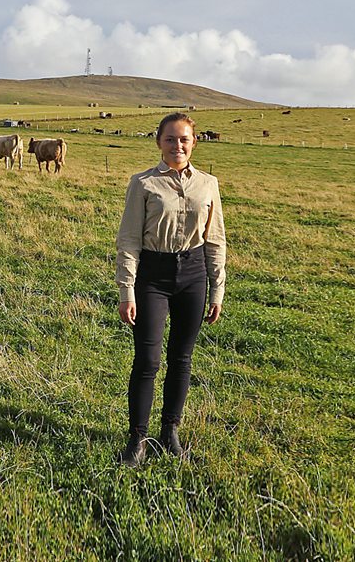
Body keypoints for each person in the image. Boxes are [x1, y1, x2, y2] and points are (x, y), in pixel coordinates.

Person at [115, 112, 226, 467]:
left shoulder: (208, 184)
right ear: (158, 142)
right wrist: (127, 290)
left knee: (182, 359)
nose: (177, 145)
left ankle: (170, 433)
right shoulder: (143, 183)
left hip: (193, 274)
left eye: (184, 139)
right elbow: (129, 239)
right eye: (170, 139)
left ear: (194, 142)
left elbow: (215, 240)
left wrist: (217, 289)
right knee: (147, 360)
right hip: (153, 274)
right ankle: (137, 438)